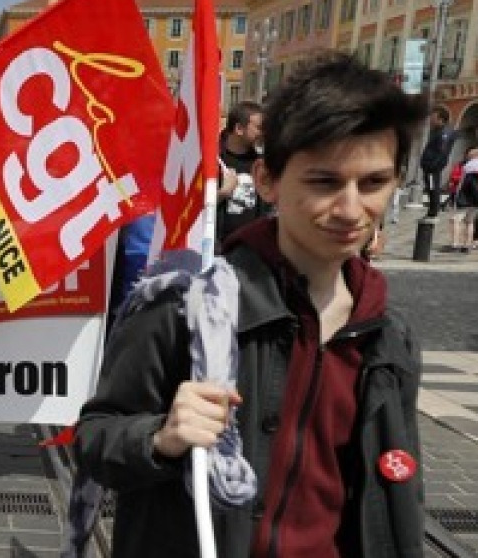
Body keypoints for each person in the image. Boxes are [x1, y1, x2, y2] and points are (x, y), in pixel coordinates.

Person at [73, 53, 427, 557]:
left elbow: (394, 489)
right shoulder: (184, 306)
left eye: (373, 183)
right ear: (267, 181)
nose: (352, 209)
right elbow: (94, 441)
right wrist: (159, 437)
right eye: (324, 182)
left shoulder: (388, 334)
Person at [216, 100, 270, 244]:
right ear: (239, 128)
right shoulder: (212, 161)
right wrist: (222, 194)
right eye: (259, 128)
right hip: (216, 251)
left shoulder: (262, 165)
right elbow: (191, 210)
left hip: (250, 251)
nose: (263, 133)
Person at [446, 147, 478, 253]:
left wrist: (456, 195)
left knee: (456, 219)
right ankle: (467, 245)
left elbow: (461, 183)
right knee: (470, 222)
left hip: (465, 198)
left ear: (472, 156)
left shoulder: (468, 166)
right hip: (477, 199)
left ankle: (455, 244)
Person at [420, 105, 458, 217]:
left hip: (432, 167)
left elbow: (442, 152)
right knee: (431, 187)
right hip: (430, 166)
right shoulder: (438, 131)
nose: (431, 119)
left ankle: (433, 211)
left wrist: (433, 165)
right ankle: (432, 209)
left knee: (433, 188)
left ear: (441, 119)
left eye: (434, 117)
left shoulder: (444, 133)